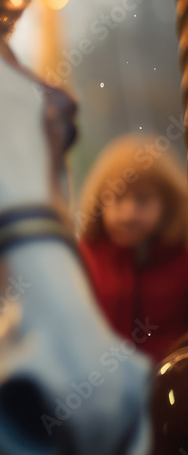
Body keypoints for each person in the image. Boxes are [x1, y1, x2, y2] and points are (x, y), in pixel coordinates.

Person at [77, 134, 188, 365]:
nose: (128, 214)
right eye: (116, 198)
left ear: (168, 204)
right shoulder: (83, 259)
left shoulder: (182, 260)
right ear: (99, 202)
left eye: (143, 199)